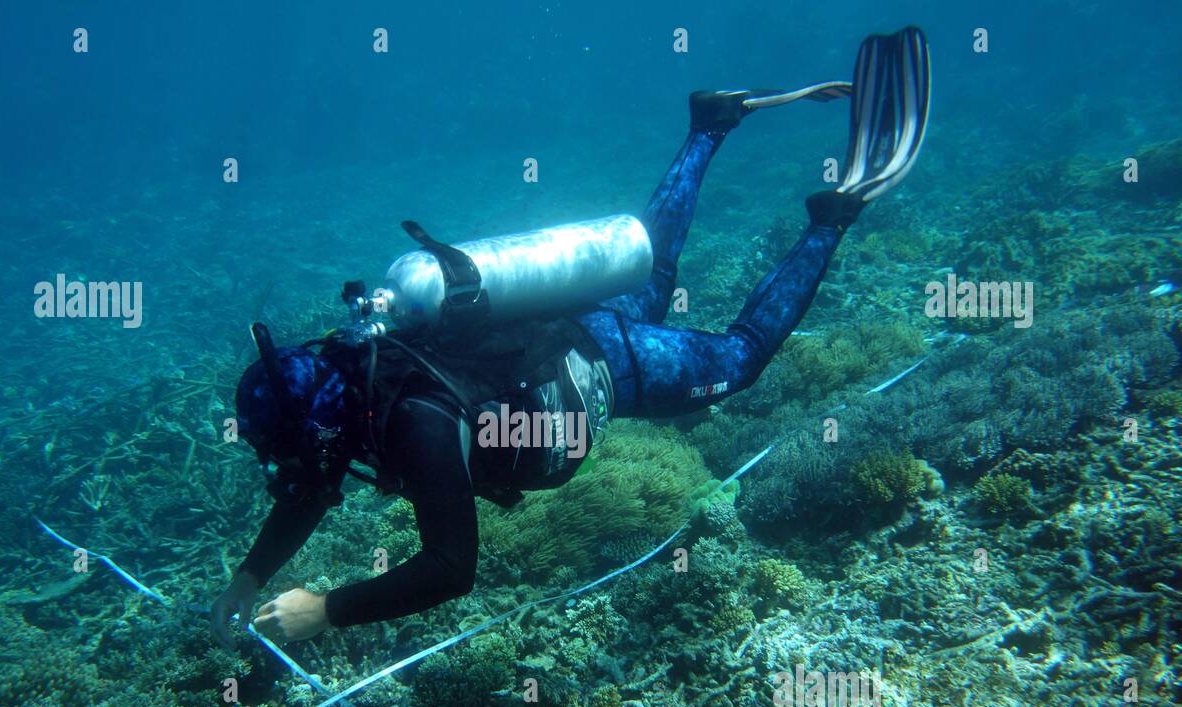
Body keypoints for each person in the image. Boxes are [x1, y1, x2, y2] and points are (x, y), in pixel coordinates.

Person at [210, 27, 931, 650]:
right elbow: (310, 490)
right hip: (568, 327)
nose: (296, 472)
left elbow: (451, 567)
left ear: (315, 424)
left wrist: (328, 610)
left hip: (604, 364)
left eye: (292, 452)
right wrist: (250, 578)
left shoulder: (413, 421)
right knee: (656, 271)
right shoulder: (352, 376)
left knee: (739, 359)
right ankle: (710, 124)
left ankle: (832, 216)